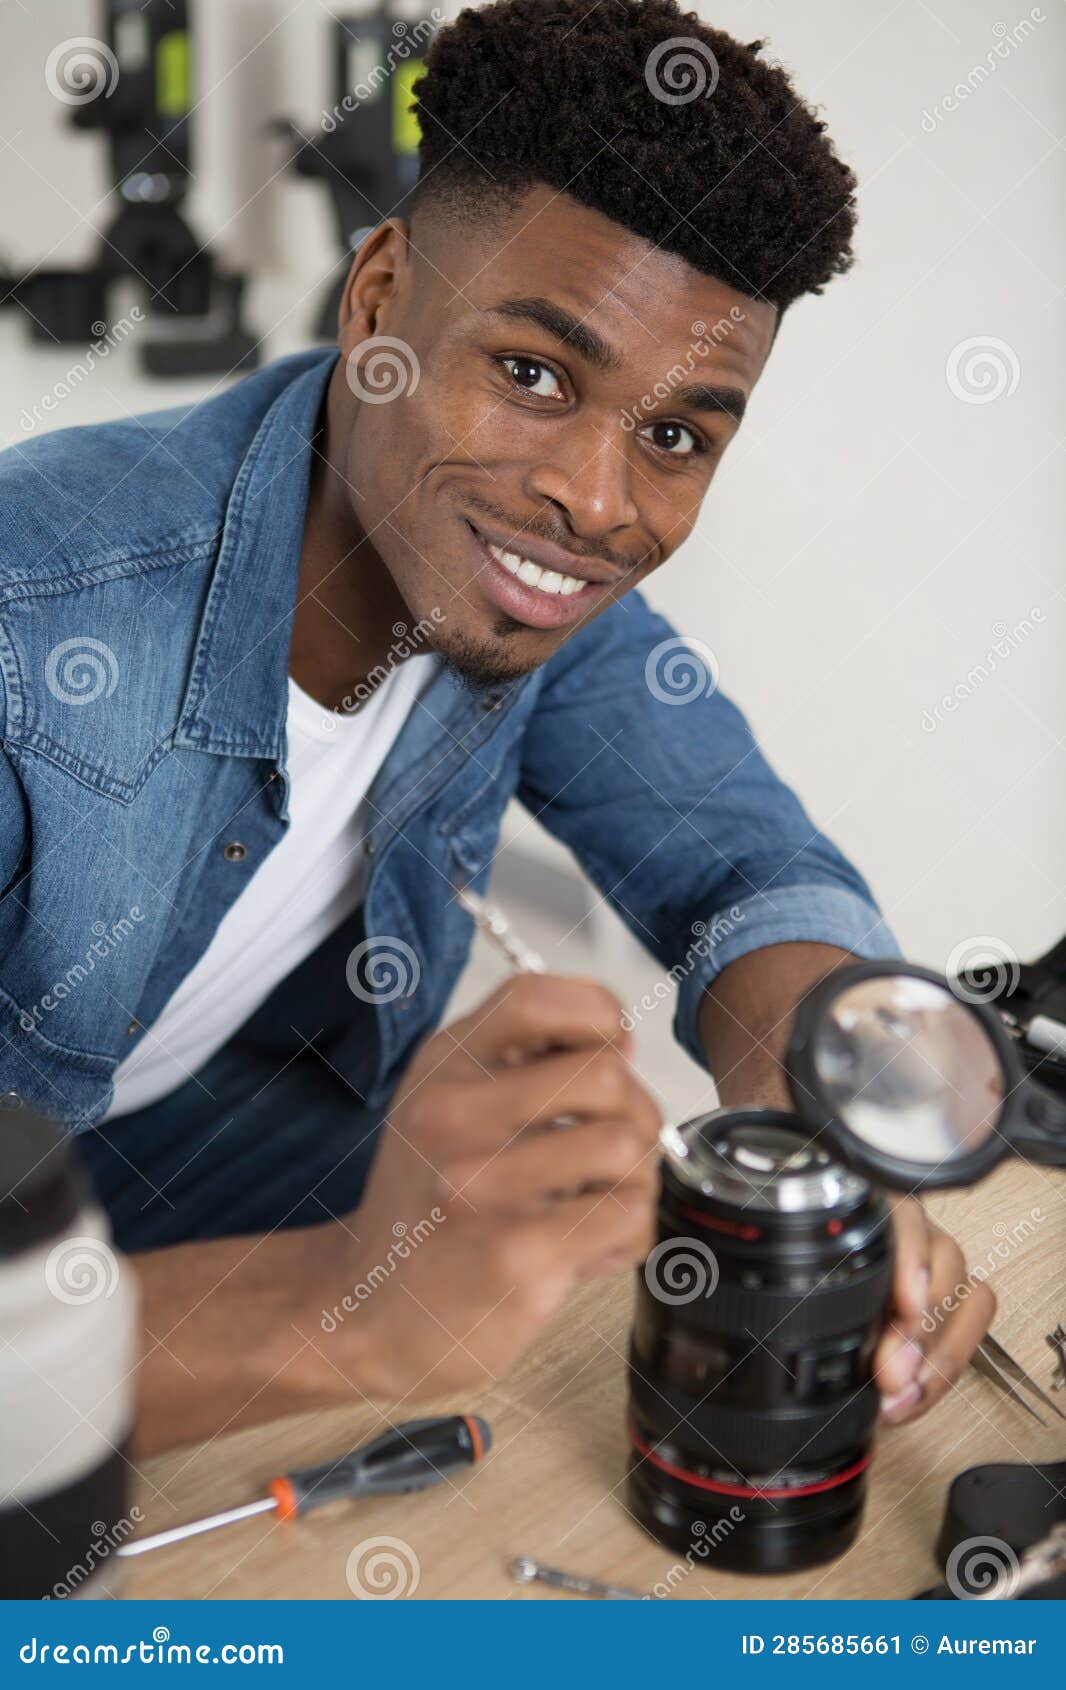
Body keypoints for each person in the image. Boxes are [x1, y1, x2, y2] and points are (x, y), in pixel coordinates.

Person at [0, 0, 991, 1454]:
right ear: (379, 296)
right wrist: (345, 1306)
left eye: (673, 435)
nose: (597, 501)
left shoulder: (524, 603)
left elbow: (738, 864)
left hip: (172, 1149)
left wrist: (820, 1127)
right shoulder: (32, 624)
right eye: (532, 373)